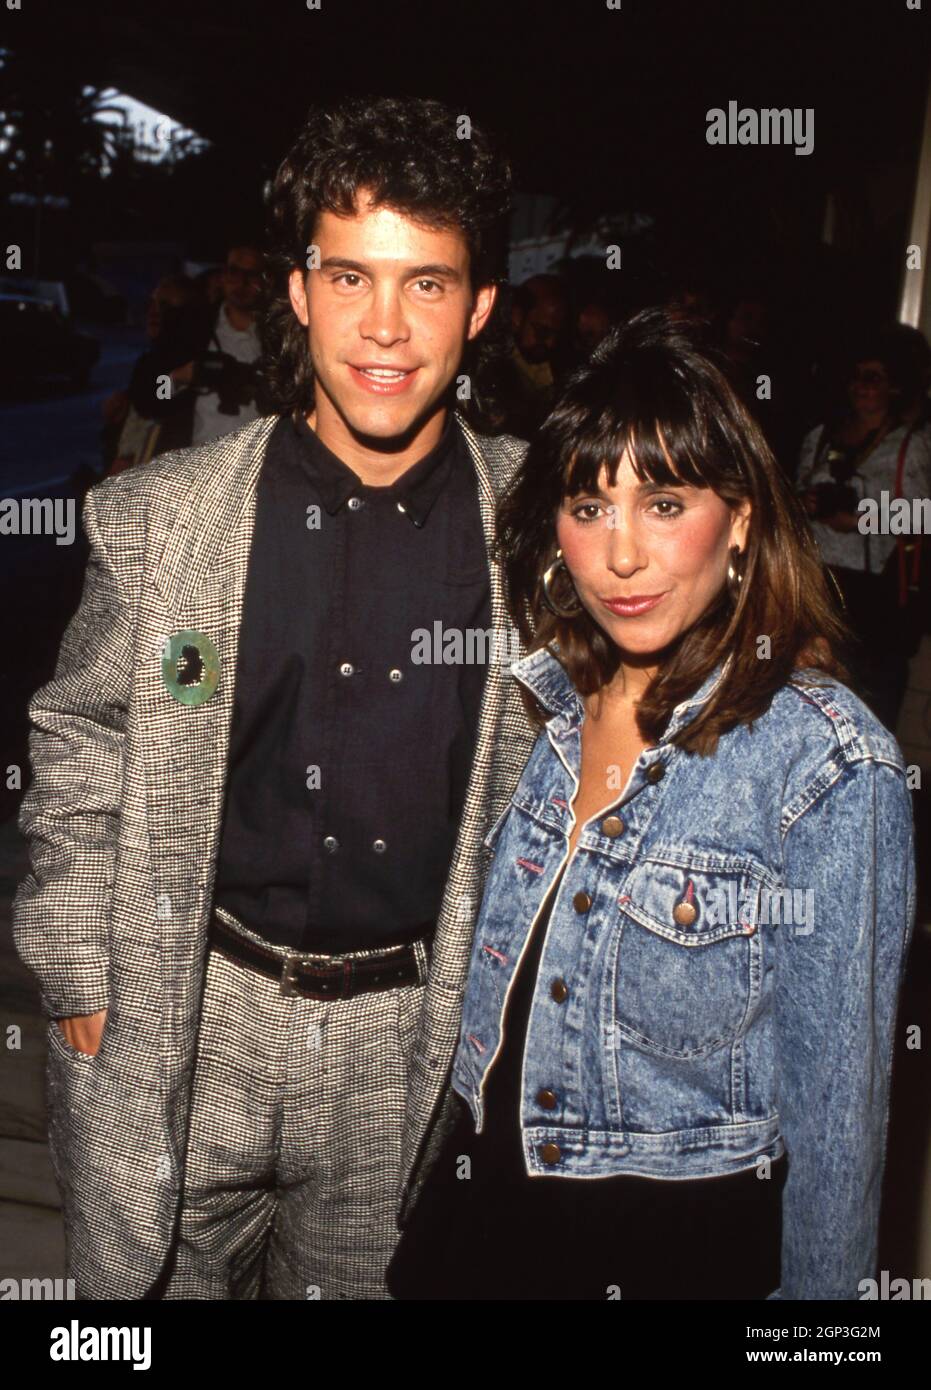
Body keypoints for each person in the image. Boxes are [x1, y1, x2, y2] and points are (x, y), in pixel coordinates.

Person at [11, 95, 539, 1300]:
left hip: (403, 1044)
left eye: (428, 284)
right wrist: (81, 970)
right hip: (190, 1007)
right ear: (297, 291)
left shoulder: (539, 529)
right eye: (349, 277)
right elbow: (78, 732)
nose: (387, 327)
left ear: (482, 306)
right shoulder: (161, 517)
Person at [387, 307, 916, 1301]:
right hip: (474, 1228)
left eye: (664, 503)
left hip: (670, 1253)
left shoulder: (827, 765)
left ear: (742, 519)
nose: (620, 552)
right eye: (588, 506)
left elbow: (837, 1121)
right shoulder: (534, 718)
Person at [797, 329, 931, 732]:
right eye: (856, 376)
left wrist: (858, 519)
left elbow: (921, 517)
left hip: (875, 596)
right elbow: (795, 498)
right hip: (819, 583)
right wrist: (809, 505)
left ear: (893, 386)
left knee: (870, 707)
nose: (861, 386)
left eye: (873, 377)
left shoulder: (911, 445)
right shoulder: (820, 437)